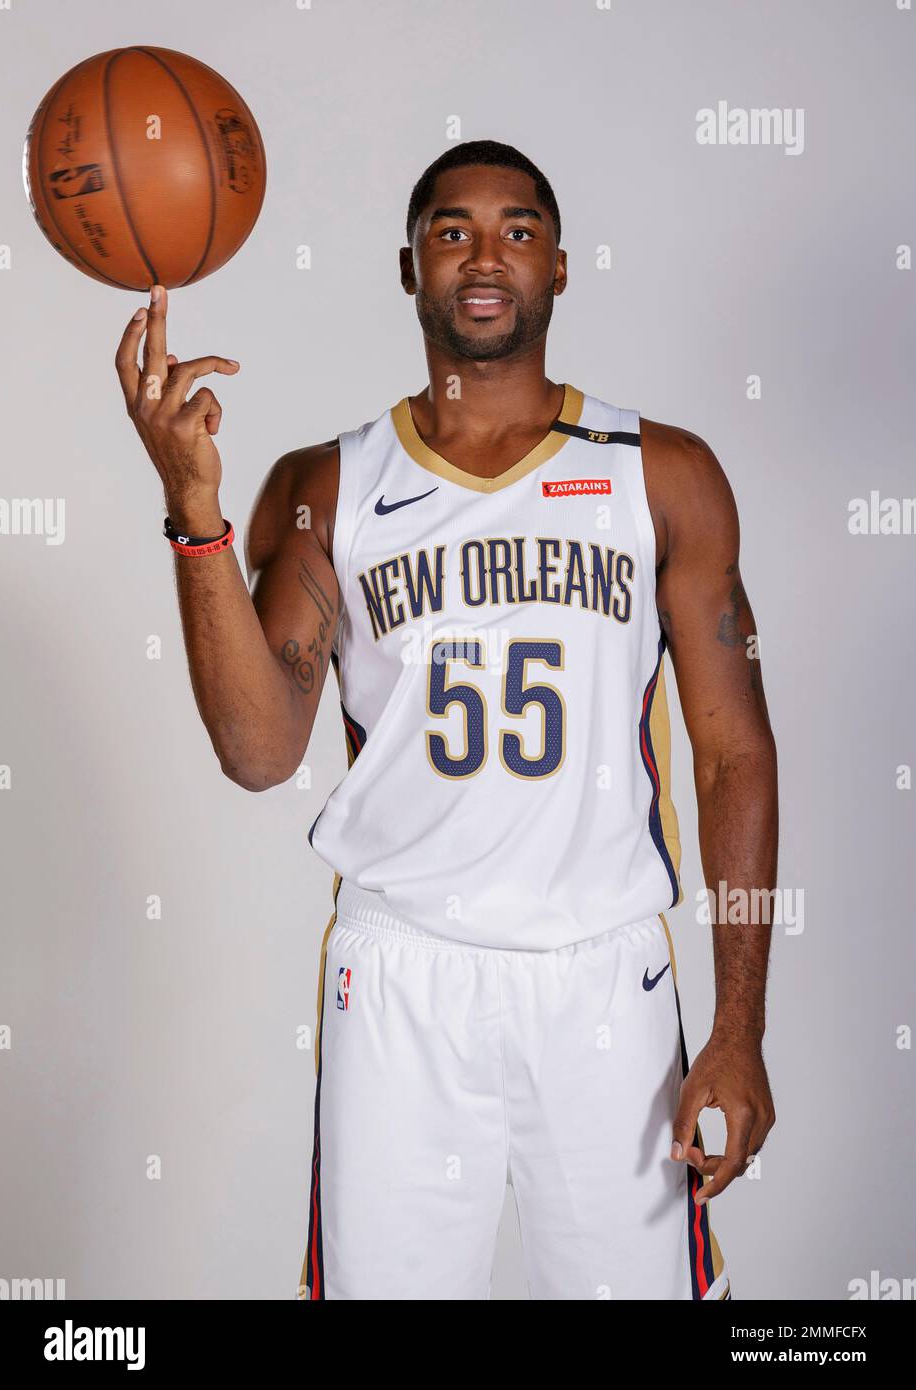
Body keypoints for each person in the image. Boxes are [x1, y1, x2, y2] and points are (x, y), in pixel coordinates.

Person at [116, 139, 777, 1301]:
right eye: (451, 229)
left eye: (517, 230)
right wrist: (193, 510)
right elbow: (259, 751)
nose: (484, 254)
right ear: (408, 265)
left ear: (560, 268)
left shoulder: (657, 474)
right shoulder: (328, 487)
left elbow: (733, 754)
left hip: (601, 978)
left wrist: (736, 1025)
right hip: (402, 978)